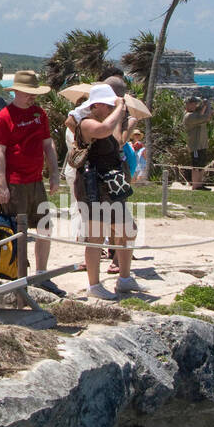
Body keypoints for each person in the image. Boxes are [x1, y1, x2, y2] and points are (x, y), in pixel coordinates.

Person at [0, 70, 63, 295]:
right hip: (15, 182)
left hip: (35, 180)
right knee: (15, 229)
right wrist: (2, 184)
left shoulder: (40, 114)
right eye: (29, 93)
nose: (33, 97)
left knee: (44, 227)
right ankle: (15, 273)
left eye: (34, 93)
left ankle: (41, 273)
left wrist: (54, 172)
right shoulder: (4, 116)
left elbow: (48, 144)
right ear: (17, 92)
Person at [77, 84, 140, 300]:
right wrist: (120, 110)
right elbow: (103, 131)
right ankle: (94, 284)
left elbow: (117, 139)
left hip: (111, 185)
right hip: (94, 185)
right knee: (96, 235)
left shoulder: (109, 121)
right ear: (97, 105)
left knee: (127, 229)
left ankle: (124, 278)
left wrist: (127, 121)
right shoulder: (86, 123)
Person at [184, 96, 213, 190]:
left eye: (196, 103)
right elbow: (207, 117)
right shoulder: (190, 116)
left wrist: (203, 104)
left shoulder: (196, 114)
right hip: (195, 145)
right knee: (196, 165)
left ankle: (199, 184)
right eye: (193, 103)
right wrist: (208, 105)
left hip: (201, 144)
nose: (195, 105)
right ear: (188, 104)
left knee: (201, 165)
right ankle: (196, 185)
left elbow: (201, 112)